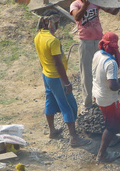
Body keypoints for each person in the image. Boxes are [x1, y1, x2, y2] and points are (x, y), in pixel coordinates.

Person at [34, 13, 88, 148]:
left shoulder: (38, 35)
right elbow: (58, 63)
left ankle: (52, 131)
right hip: (56, 77)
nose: (58, 26)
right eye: (56, 23)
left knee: (50, 100)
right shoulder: (53, 41)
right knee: (68, 105)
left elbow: (42, 57)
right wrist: (67, 82)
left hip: (46, 75)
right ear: (51, 24)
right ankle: (73, 138)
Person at [70, 0, 117, 109]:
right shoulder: (75, 5)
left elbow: (112, 11)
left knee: (100, 71)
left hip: (99, 41)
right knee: (86, 73)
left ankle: (100, 98)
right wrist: (85, 5)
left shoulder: (95, 3)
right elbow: (77, 17)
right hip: (85, 42)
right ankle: (88, 102)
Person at [92, 31, 120, 163]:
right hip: (107, 98)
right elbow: (112, 85)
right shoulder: (110, 63)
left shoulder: (97, 54)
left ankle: (113, 139)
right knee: (111, 126)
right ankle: (102, 155)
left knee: (109, 120)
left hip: (97, 93)